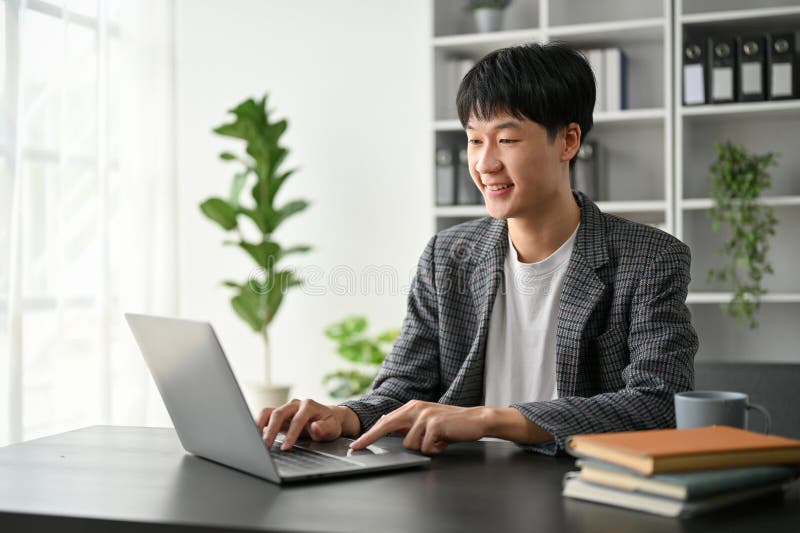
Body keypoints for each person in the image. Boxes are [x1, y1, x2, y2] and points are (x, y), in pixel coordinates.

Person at [257, 42, 698, 456]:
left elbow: (658, 404)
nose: (485, 163)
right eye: (474, 139)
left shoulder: (650, 259)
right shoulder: (447, 255)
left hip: (581, 493)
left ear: (568, 141)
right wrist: (342, 415)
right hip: (460, 493)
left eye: (506, 140)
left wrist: (491, 420)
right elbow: (404, 387)